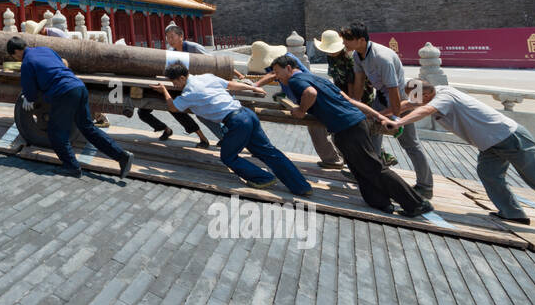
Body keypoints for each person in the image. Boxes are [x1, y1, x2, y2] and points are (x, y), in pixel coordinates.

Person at [386, 79, 535, 240]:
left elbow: (424, 111)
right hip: (491, 144)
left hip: (511, 139)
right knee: (488, 174)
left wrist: (398, 124)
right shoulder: (433, 92)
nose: (412, 101)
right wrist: (379, 114)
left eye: (416, 97)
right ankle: (513, 213)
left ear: (426, 94)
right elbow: (408, 106)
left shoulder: (443, 98)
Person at [269, 55, 431, 216]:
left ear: (289, 68)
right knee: (359, 169)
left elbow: (310, 94)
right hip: (353, 124)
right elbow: (350, 100)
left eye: (277, 71)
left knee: (374, 168)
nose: (276, 76)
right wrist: (378, 116)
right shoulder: (319, 79)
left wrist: (301, 110)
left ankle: (417, 203)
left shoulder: (294, 81)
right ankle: (380, 202)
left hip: (347, 127)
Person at [157, 62, 312, 196]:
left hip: (237, 122)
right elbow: (230, 84)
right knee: (269, 152)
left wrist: (164, 90)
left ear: (182, 78)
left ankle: (264, 178)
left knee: (228, 157)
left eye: (174, 82)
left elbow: (173, 106)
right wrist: (253, 88)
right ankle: (302, 187)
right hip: (247, 115)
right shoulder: (206, 77)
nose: (174, 85)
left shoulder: (190, 93)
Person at [8, 35, 133, 179]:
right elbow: (64, 63)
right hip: (78, 86)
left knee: (56, 133)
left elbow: (29, 88)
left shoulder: (27, 62)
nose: (15, 59)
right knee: (88, 128)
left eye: (13, 56)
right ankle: (122, 156)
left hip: (64, 93)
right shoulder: (45, 49)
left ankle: (72, 167)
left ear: (17, 52)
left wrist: (28, 98)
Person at [342, 21, 434, 200]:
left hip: (400, 103)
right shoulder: (358, 55)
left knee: (410, 144)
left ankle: (425, 186)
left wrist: (395, 117)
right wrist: (355, 105)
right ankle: (371, 176)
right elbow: (359, 81)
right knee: (370, 138)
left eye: (347, 39)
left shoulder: (381, 57)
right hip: (380, 100)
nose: (344, 43)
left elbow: (393, 90)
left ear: (361, 40)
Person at [244, 40, 346, 169]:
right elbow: (275, 76)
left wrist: (302, 109)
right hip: (306, 97)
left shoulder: (287, 61)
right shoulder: (278, 63)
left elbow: (307, 91)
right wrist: (260, 86)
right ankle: (339, 157)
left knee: (317, 127)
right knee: (326, 129)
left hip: (312, 100)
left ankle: (333, 161)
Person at [317, 28, 396, 167]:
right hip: (343, 95)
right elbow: (337, 79)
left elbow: (353, 82)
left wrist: (352, 102)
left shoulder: (349, 57)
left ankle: (377, 158)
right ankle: (377, 156)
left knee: (363, 129)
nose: (331, 51)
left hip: (359, 96)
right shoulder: (330, 57)